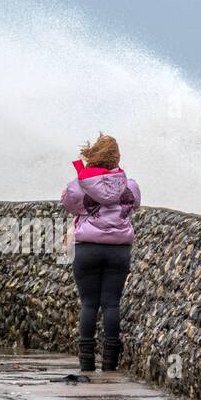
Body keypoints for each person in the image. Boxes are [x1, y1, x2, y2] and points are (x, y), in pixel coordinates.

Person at [60, 133, 141, 373]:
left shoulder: (79, 186)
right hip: (118, 251)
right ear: (116, 157)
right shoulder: (130, 186)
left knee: (88, 304)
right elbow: (134, 203)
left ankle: (86, 363)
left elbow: (66, 202)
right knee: (111, 304)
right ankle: (109, 364)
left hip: (87, 249)